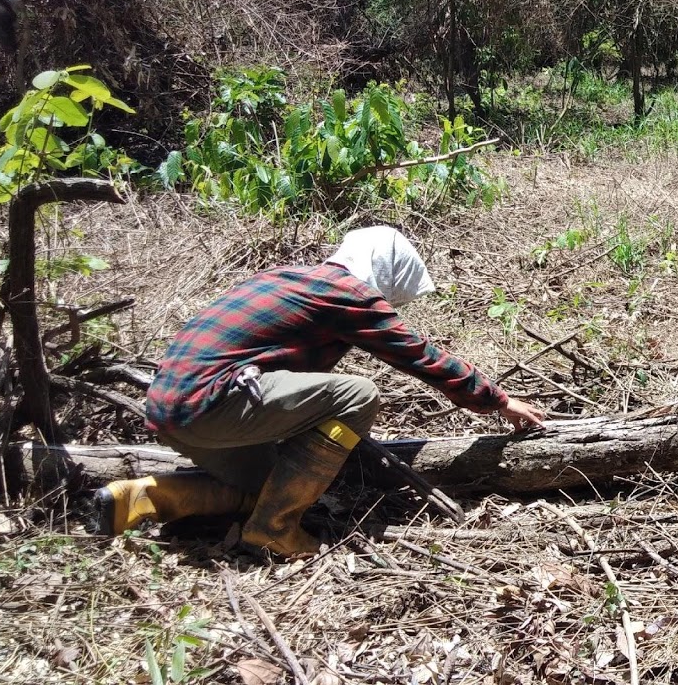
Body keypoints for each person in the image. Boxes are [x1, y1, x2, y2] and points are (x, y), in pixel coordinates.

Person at [95, 226, 547, 558]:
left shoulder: (287, 277)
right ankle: (275, 529)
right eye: (394, 294)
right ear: (383, 276)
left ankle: (145, 498)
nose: (392, 305)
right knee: (358, 394)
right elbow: (419, 356)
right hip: (211, 402)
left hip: (167, 407)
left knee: (268, 486)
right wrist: (499, 401)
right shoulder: (348, 295)